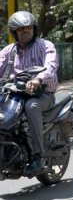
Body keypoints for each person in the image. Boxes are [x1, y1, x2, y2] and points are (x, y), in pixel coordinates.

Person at [0, 11, 58, 174]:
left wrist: (38, 79)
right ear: (14, 32)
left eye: (27, 28)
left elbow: (51, 66)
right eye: (20, 29)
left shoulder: (45, 46)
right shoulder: (9, 51)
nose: (24, 31)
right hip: (15, 93)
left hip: (43, 94)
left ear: (33, 29)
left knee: (31, 106)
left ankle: (38, 157)